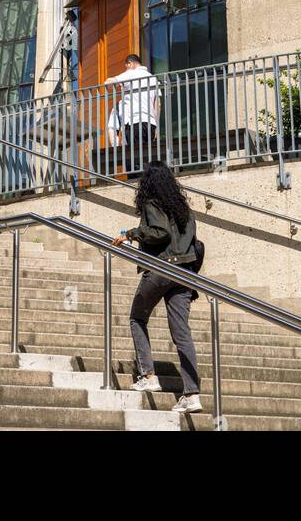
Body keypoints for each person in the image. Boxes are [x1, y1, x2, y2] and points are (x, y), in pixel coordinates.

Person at [114, 159, 203, 414]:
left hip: (162, 269)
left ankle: (148, 376)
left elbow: (159, 232)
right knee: (181, 333)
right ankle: (191, 394)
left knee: (136, 318)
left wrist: (132, 233)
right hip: (184, 273)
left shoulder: (153, 204)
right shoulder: (183, 209)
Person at [105, 53, 161, 179]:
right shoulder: (153, 78)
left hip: (135, 123)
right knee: (147, 157)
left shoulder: (131, 73)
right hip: (150, 123)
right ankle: (149, 182)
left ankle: (140, 185)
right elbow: (158, 103)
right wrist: (156, 125)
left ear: (130, 64)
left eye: (126, 67)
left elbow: (109, 82)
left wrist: (111, 86)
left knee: (135, 159)